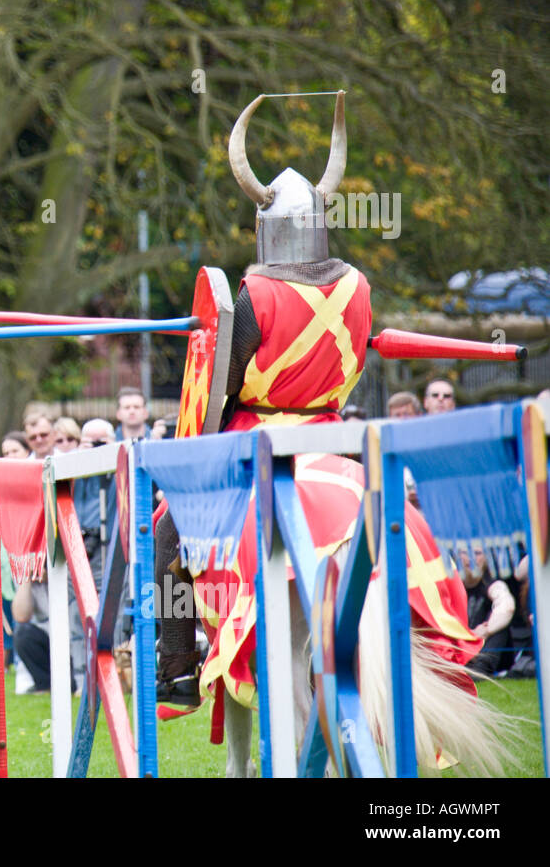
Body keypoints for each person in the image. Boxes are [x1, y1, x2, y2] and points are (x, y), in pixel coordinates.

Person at [155, 92, 372, 705]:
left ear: (265, 227)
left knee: (172, 525)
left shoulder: (256, 294)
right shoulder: (359, 287)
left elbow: (220, 385)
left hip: (259, 442)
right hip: (333, 438)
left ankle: (176, 667)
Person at [461, 547, 516, 678]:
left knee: (500, 623)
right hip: (464, 647)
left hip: (488, 651)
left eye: (477, 553)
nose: (471, 558)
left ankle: (481, 669)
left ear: (486, 558)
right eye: (465, 553)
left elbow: (507, 606)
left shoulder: (493, 584)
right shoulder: (453, 584)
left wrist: (486, 631)